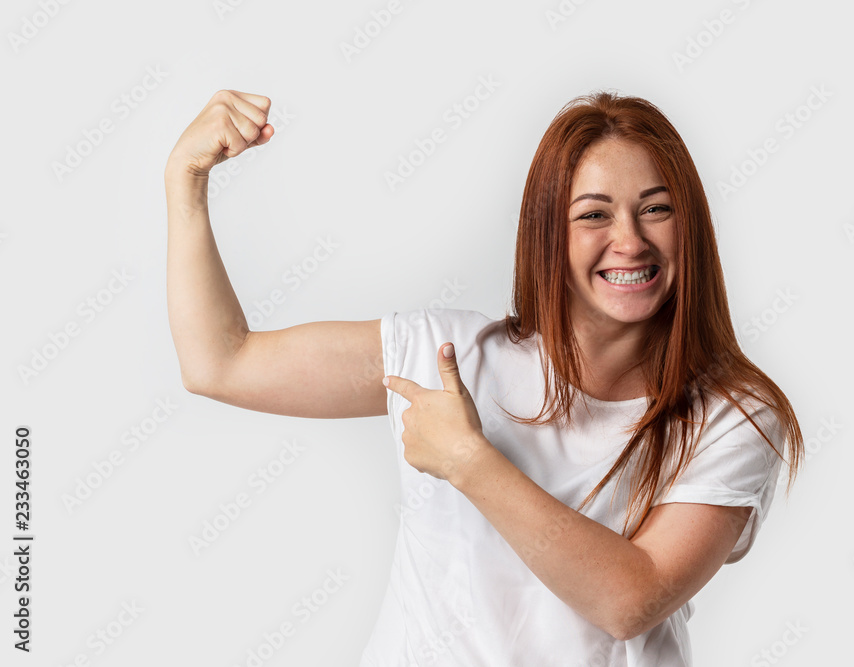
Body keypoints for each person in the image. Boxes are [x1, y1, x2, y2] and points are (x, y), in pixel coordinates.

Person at [165, 88, 804, 666]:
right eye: (593, 215)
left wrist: (469, 460)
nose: (629, 240)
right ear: (548, 234)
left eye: (656, 209)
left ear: (689, 226)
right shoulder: (445, 354)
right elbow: (221, 362)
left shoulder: (734, 415)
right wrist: (184, 184)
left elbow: (630, 600)